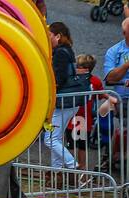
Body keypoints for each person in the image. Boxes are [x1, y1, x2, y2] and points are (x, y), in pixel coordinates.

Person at [47, 23, 89, 176]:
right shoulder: (67, 51)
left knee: (50, 139)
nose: (48, 37)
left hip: (63, 101)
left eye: (50, 35)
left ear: (58, 36)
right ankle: (56, 172)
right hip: (69, 102)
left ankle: (74, 167)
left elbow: (59, 78)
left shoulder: (60, 53)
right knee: (55, 138)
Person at [103, 16, 129, 101]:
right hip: (122, 99)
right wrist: (127, 64)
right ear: (124, 33)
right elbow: (110, 79)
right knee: (104, 109)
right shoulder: (113, 51)